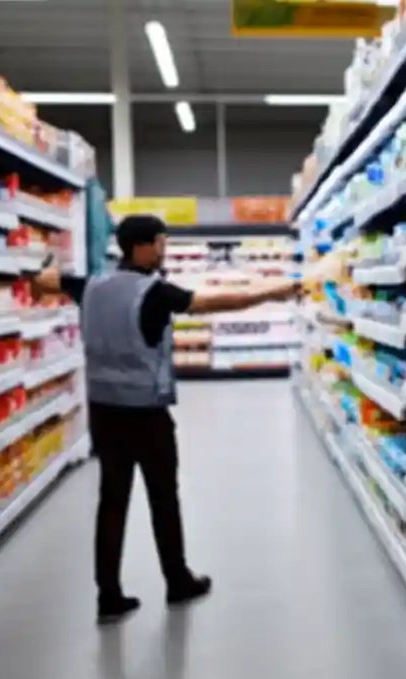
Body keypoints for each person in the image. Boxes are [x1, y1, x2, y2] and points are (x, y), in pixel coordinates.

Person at [31, 214, 300, 623]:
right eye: (160, 242)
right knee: (163, 498)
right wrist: (276, 291)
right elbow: (218, 303)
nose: (164, 249)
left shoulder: (90, 286)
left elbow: (45, 281)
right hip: (146, 412)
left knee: (111, 502)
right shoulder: (153, 292)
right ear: (141, 246)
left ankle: (108, 595)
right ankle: (177, 581)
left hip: (104, 410)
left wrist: (44, 266)